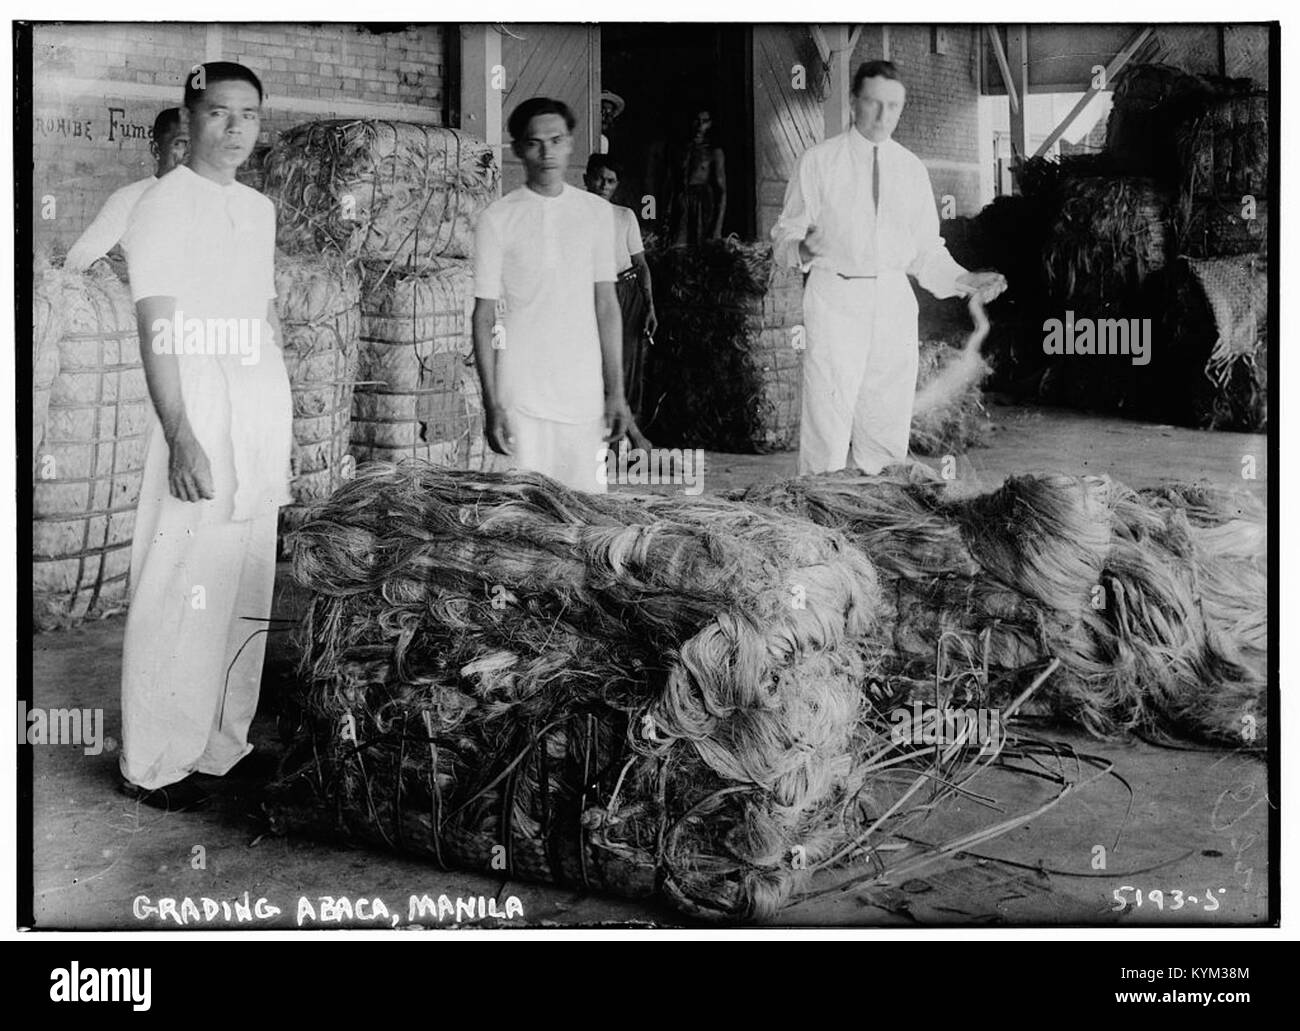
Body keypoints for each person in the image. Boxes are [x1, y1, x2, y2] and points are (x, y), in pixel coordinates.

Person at [117, 62, 292, 810]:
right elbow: (156, 331)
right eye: (218, 114)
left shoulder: (258, 210)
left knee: (243, 581)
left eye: (247, 116)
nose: (233, 130)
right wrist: (182, 432)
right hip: (196, 408)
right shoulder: (161, 205)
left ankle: (224, 742)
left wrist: (282, 416)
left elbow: (264, 317)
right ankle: (153, 757)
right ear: (187, 120)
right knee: (178, 584)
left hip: (257, 408)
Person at [771, 60, 1006, 475]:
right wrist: (804, 247)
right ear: (853, 103)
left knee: (887, 414)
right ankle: (820, 505)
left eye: (894, 106)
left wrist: (963, 278)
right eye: (874, 103)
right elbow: (782, 238)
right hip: (835, 297)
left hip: (894, 299)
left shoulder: (910, 169)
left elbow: (926, 252)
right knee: (829, 411)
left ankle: (879, 509)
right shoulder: (819, 162)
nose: (883, 117)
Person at [471, 97, 628, 492]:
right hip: (521, 389)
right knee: (525, 513)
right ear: (519, 149)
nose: (547, 153)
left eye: (556, 140)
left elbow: (606, 306)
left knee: (584, 510)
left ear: (571, 143)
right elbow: (484, 316)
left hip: (581, 387)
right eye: (535, 142)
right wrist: (493, 404)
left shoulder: (595, 215)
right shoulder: (497, 219)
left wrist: (616, 391)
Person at [583, 153, 658, 449]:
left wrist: (650, 305)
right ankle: (634, 437)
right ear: (586, 178)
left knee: (625, 365)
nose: (604, 185)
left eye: (611, 180)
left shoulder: (625, 215)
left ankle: (620, 443)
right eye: (599, 178)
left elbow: (641, 265)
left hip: (628, 293)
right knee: (600, 365)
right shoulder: (575, 214)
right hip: (594, 293)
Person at [64, 108, 189, 272]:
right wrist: (115, 270)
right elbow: (77, 259)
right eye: (180, 144)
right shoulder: (129, 199)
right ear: (156, 150)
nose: (190, 154)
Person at [668, 109, 727, 245]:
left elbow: (722, 191)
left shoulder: (713, 152)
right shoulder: (679, 149)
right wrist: (653, 215)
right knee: (678, 248)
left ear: (710, 124)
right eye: (697, 121)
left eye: (704, 122)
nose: (700, 126)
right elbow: (668, 183)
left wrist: (718, 228)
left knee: (700, 248)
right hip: (681, 200)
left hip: (702, 201)